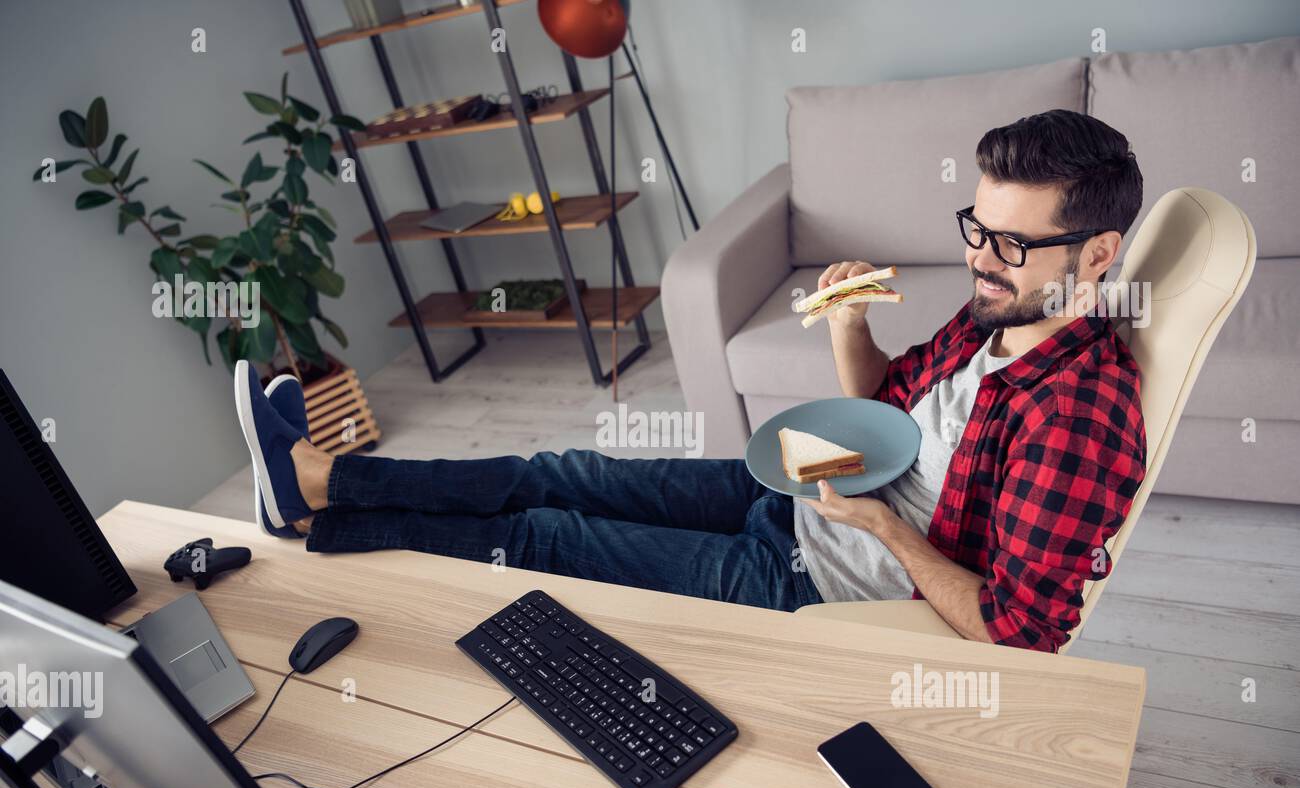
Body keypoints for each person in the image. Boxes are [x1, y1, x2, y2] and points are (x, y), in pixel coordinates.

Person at [233, 109, 1145, 653]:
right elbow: (886, 412)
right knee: (565, 470)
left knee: (547, 536)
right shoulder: (1001, 310)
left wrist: (876, 526)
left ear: (1098, 254)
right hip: (804, 491)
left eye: (1012, 243)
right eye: (975, 229)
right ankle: (324, 484)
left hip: (811, 579)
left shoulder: (1077, 416)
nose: (983, 260)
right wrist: (850, 328)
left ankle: (327, 510)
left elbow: (1020, 632)